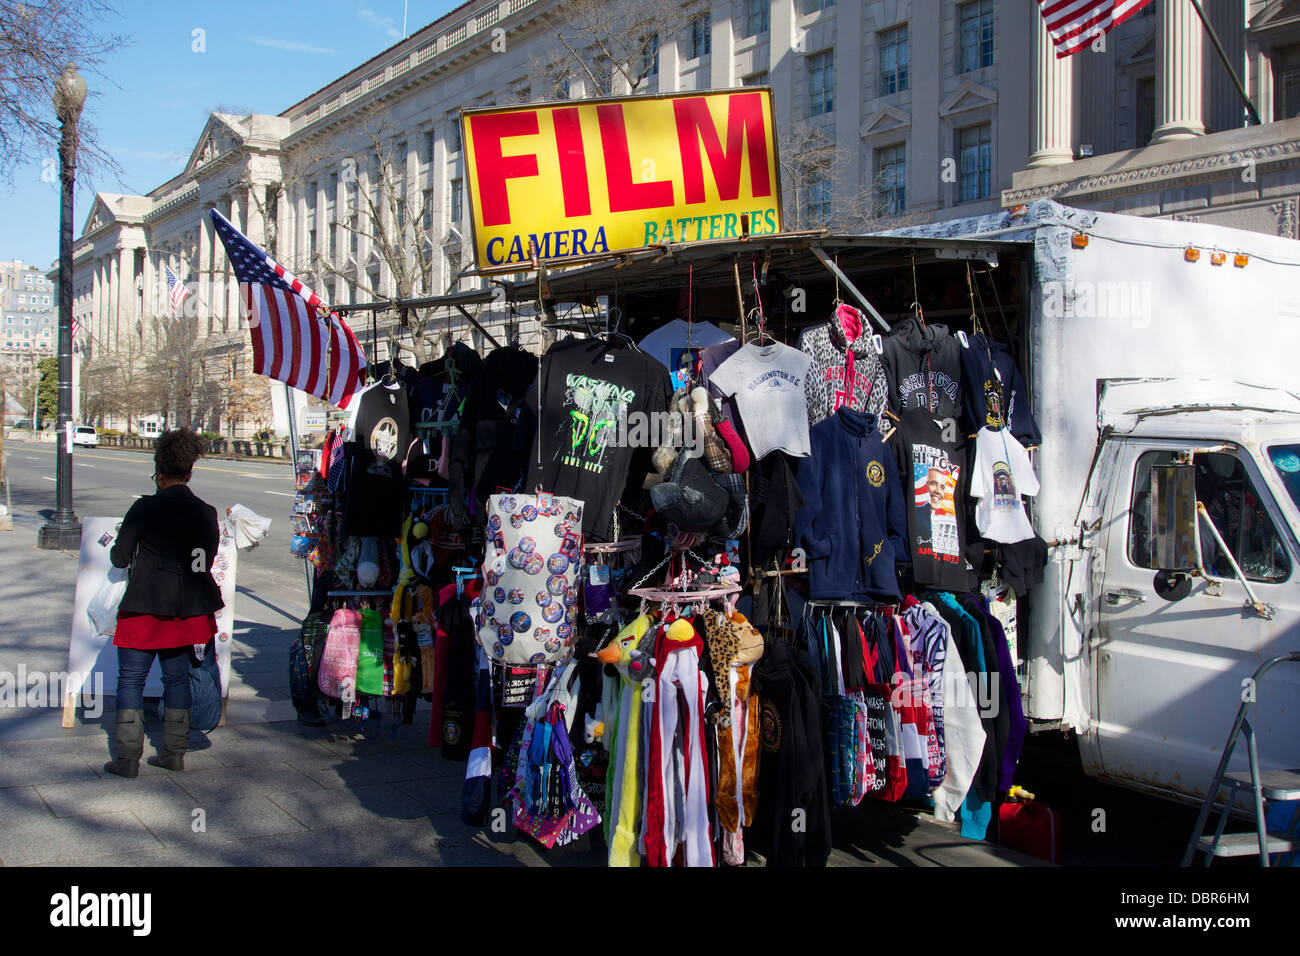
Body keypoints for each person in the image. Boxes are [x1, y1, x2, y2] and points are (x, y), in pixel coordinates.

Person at [104, 428, 224, 778]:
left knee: (130, 680)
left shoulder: (144, 507)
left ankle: (126, 759)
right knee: (176, 680)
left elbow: (119, 559)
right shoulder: (205, 512)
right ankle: (174, 753)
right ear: (189, 472)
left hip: (143, 605)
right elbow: (203, 562)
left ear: (160, 472)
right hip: (186, 610)